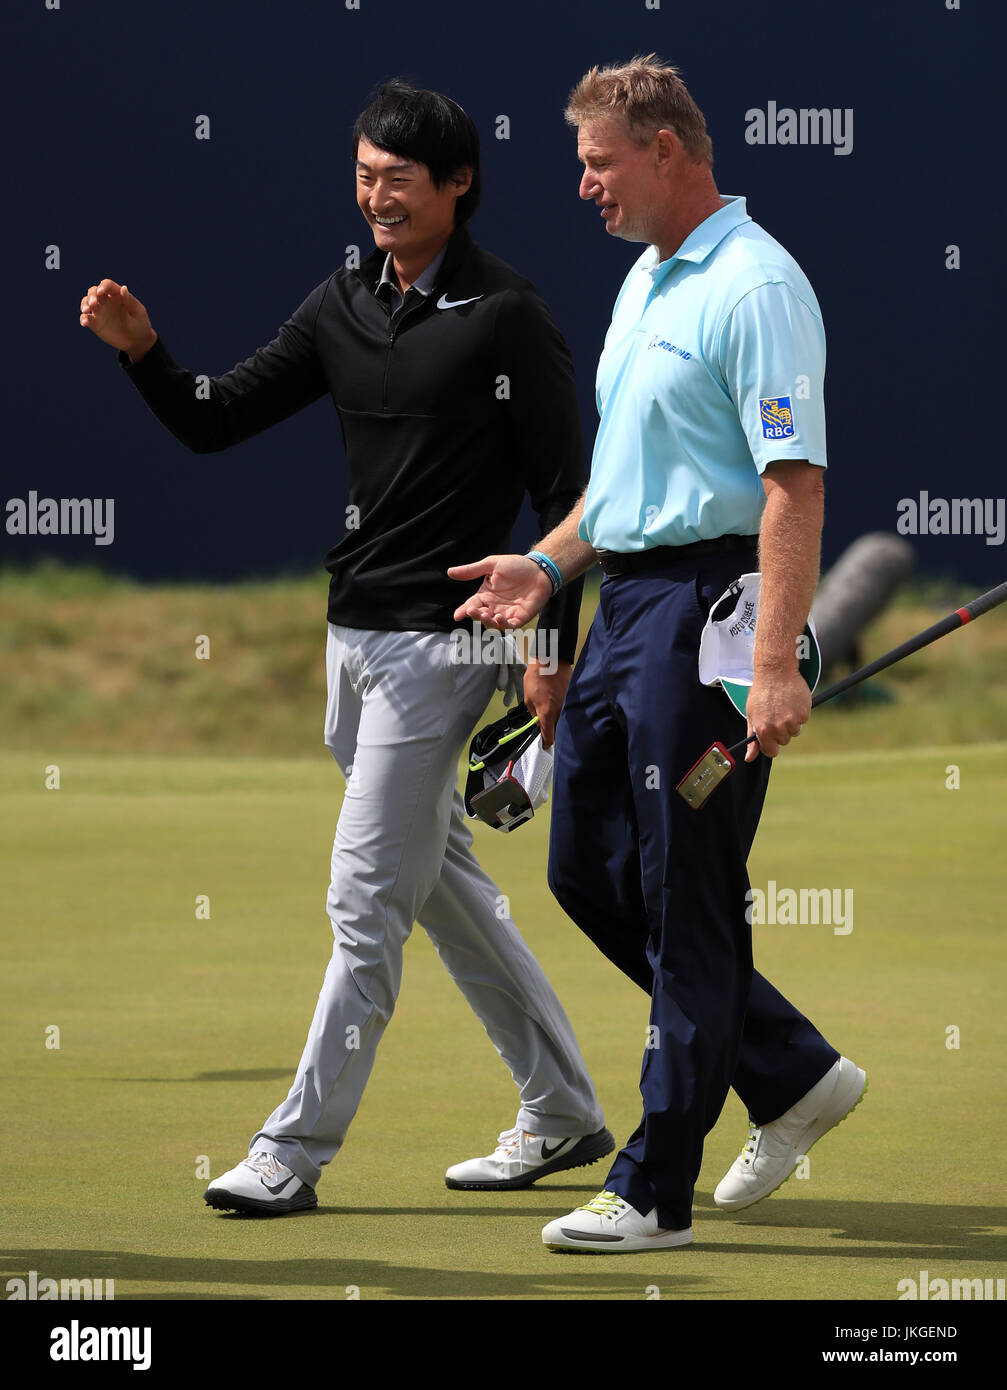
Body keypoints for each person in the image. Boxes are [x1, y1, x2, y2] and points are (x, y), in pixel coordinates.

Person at [79, 80, 612, 1216]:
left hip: (448, 647)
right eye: (363, 173)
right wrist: (144, 354)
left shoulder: (508, 315)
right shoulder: (342, 300)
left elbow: (573, 496)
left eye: (398, 179)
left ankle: (290, 1151)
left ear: (456, 186)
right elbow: (215, 417)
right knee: (443, 889)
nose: (375, 194)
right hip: (351, 639)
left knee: (364, 897)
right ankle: (563, 1108)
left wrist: (548, 648)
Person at [450, 56, 865, 1253]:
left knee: (686, 892)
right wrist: (546, 565)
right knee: (585, 868)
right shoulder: (642, 283)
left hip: (712, 615)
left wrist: (774, 660)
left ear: (667, 151)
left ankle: (652, 1184)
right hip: (627, 608)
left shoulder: (754, 286)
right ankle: (789, 1071)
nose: (582, 185)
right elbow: (627, 493)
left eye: (596, 162)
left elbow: (789, 485)